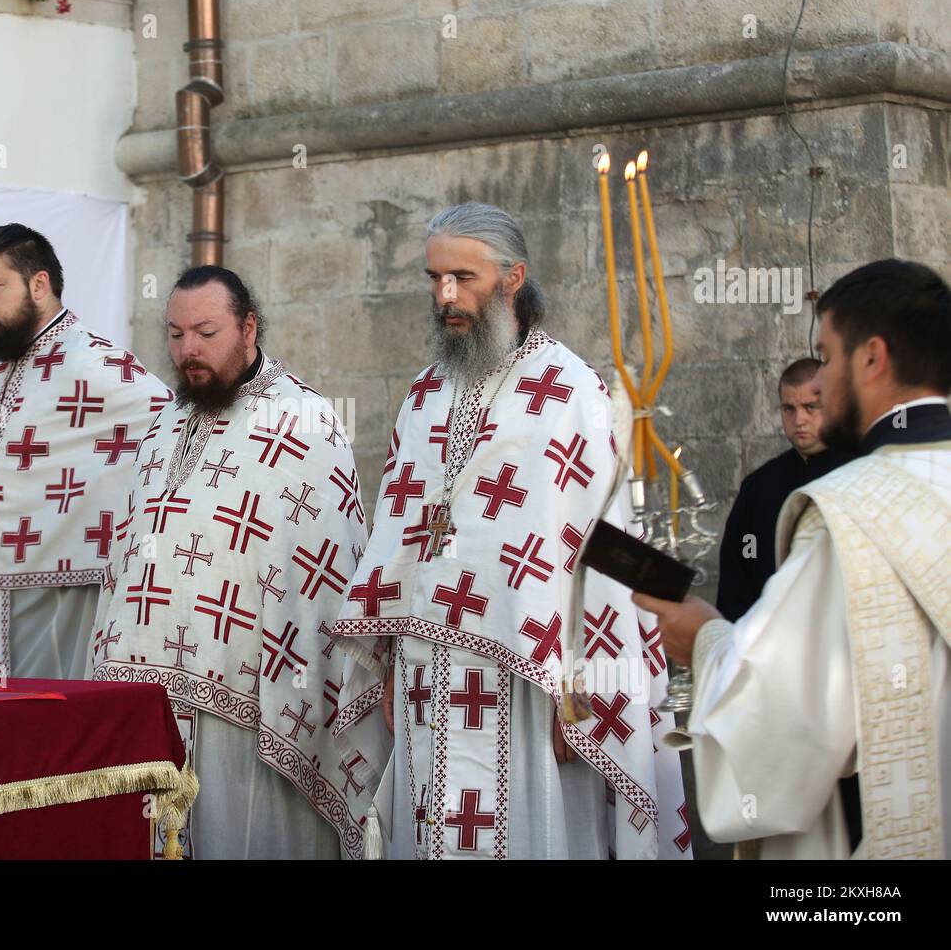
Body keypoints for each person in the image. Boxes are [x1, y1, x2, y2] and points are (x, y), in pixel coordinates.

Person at [331, 203, 689, 859]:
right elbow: (397, 535)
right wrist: (385, 664)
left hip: (528, 678)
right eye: (434, 278)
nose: (445, 296)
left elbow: (602, 546)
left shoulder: (570, 390)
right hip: (424, 677)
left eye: (463, 277)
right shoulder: (423, 395)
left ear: (513, 277)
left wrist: (584, 685)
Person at [635, 259, 951, 859]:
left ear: (871, 358)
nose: (822, 386)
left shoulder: (851, 511)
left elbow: (785, 719)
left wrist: (704, 639)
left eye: (828, 358)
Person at [91, 265, 382, 859]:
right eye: (174, 335)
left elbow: (323, 565)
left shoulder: (303, 421)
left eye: (205, 332)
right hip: (149, 700)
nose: (187, 350)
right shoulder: (164, 426)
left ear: (249, 328)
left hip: (252, 698)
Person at [0, 224, 170, 679]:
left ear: (39, 284)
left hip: (64, 597)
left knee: (50, 731)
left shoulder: (95, 361)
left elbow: (171, 433)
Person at [716, 358, 852, 620]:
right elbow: (736, 582)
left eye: (811, 407)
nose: (799, 419)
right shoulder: (758, 488)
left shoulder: (860, 474)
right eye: (789, 409)